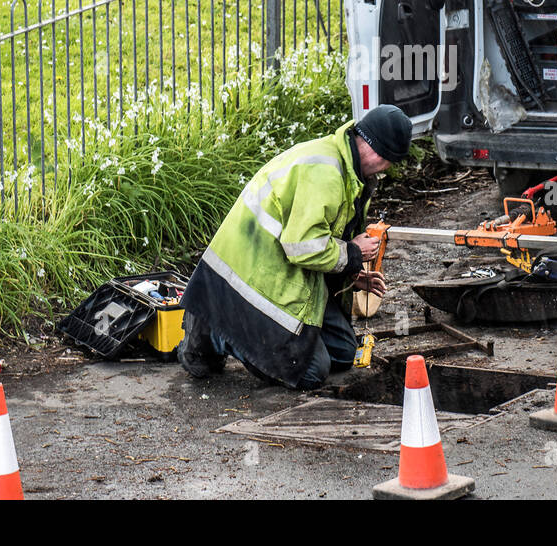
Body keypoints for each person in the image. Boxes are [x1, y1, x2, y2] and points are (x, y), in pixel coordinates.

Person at [177, 105, 413, 389]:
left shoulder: (348, 169)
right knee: (309, 373)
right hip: (253, 275)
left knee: (344, 354)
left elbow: (324, 236)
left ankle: (234, 330)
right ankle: (216, 330)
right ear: (378, 152)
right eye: (389, 161)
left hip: (286, 266)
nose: (387, 169)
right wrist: (353, 254)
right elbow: (303, 247)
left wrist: (353, 273)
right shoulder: (326, 174)